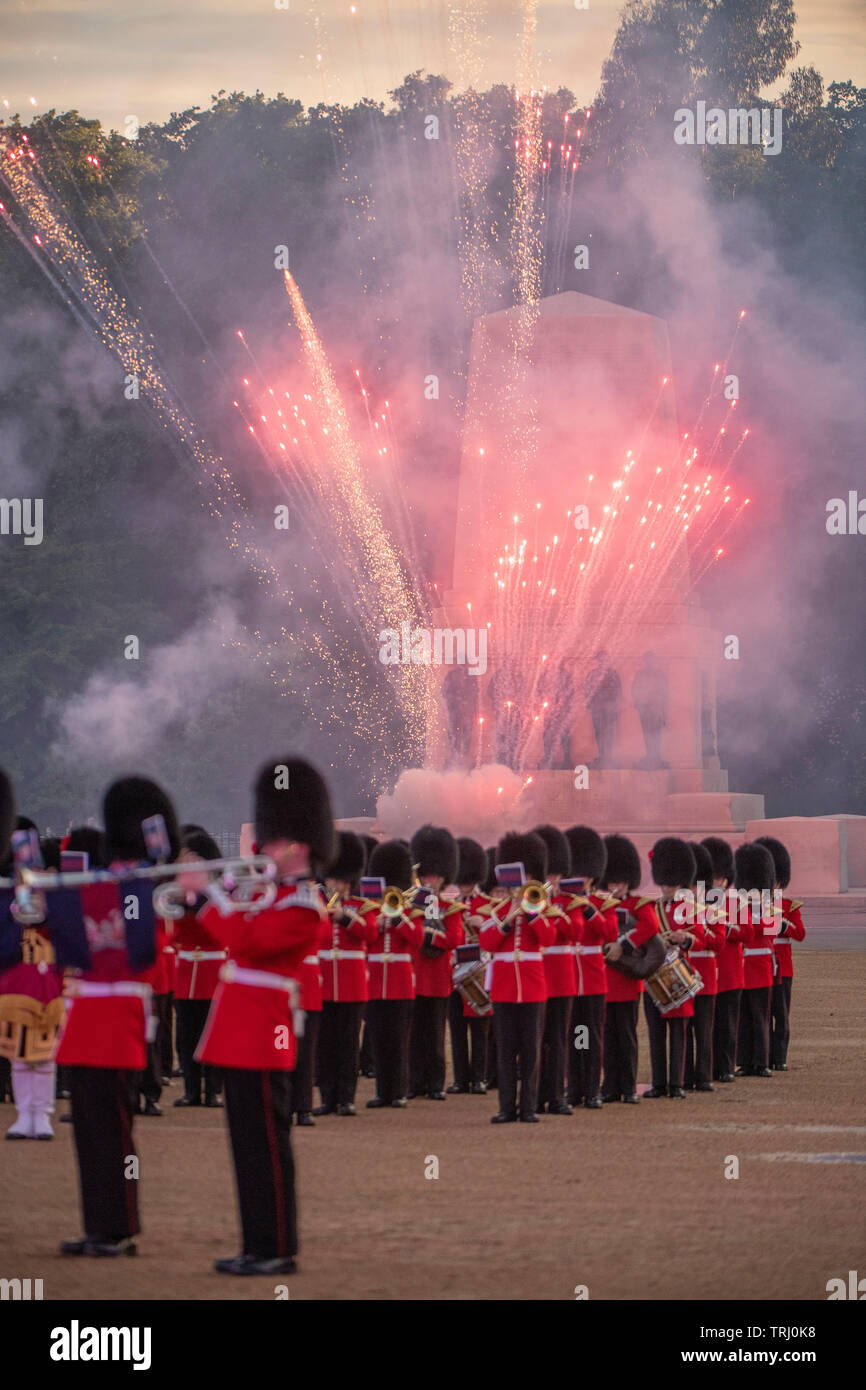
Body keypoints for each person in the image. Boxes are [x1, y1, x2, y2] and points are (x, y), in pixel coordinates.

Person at [195, 756, 333, 1276]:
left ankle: (275, 1247)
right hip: (238, 1031)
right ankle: (257, 1244)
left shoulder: (302, 903)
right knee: (246, 1144)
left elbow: (249, 944)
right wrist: (203, 896)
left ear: (297, 844)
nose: (263, 849)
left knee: (267, 1145)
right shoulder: (270, 895)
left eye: (272, 841)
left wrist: (208, 893)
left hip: (263, 1030)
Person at [55, 775, 179, 1257]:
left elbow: (146, 950)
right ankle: (97, 1226)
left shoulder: (149, 892)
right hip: (86, 1018)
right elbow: (69, 940)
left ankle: (119, 1227)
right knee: (89, 1131)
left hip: (119, 1017)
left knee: (112, 1129)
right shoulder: (104, 885)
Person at [479, 832, 557, 1124]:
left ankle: (529, 1107)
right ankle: (505, 1108)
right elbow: (486, 942)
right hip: (503, 988)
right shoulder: (498, 910)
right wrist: (510, 918)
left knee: (531, 1052)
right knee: (506, 1051)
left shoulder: (541, 908)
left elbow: (548, 937)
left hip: (533, 987)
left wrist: (532, 914)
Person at [315, 831, 376, 1116]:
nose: (335, 885)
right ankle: (328, 1097)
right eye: (331, 879)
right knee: (325, 1044)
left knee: (348, 1044)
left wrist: (346, 917)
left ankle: (346, 1098)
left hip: (351, 984)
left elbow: (370, 932)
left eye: (340, 880)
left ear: (349, 880)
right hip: (324, 983)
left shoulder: (363, 907)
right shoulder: (317, 906)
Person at [364, 840, 424, 1108]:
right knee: (378, 1038)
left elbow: (417, 939)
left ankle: (398, 1091)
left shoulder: (410, 907)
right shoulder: (370, 907)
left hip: (400, 980)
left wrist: (398, 918)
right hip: (376, 979)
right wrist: (374, 924)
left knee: (398, 1039)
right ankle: (382, 1091)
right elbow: (362, 940)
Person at [599, 834, 659, 1103]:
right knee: (606, 1037)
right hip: (603, 980)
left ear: (629, 881)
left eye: (621, 881)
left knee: (626, 1036)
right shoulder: (599, 906)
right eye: (612, 881)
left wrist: (623, 944)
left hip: (626, 981)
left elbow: (651, 927)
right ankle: (610, 1086)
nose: (616, 886)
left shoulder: (638, 905)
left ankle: (627, 1086)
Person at [170, 828, 226, 1108]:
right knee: (187, 1034)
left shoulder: (218, 893)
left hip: (211, 972)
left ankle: (212, 1090)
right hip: (186, 972)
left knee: (211, 1032)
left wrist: (196, 905)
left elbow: (219, 932)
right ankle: (192, 1090)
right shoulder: (177, 892)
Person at [642, 838, 701, 1099]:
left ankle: (676, 1083)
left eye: (670, 882)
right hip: (654, 977)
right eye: (663, 882)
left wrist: (683, 938)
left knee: (678, 1032)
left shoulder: (689, 908)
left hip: (677, 976)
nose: (666, 886)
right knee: (656, 1035)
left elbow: (699, 935)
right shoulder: (651, 909)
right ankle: (659, 1083)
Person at [408, 825, 464, 1100]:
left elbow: (455, 937)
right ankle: (414, 1082)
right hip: (417, 976)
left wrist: (431, 935)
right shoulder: (412, 905)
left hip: (439, 976)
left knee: (435, 1035)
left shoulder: (449, 908)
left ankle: (434, 1084)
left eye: (435, 877)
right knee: (415, 1034)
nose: (431, 881)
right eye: (426, 875)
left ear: (443, 879)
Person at [564, 825, 618, 1109]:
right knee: (575, 1036)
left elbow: (610, 933)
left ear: (592, 876)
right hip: (571, 976)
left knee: (592, 1035)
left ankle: (592, 1089)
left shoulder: (601, 903)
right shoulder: (563, 903)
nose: (579, 879)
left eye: (583, 875)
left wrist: (588, 909)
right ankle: (574, 1089)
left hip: (594, 977)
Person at [533, 824, 581, 1115]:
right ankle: (537, 1096)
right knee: (536, 1041)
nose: (550, 878)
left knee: (559, 1040)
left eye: (553, 873)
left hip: (561, 978)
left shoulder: (570, 901)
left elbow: (575, 931)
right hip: (536, 977)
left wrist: (553, 911)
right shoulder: (531, 899)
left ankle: (557, 1095)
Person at [755, 835, 805, 1072]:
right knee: (762, 1015)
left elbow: (800, 934)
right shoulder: (754, 906)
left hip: (782, 968)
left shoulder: (789, 906)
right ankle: (762, 1057)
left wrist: (784, 925)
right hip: (762, 967)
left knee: (781, 1016)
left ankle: (780, 1057)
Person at [447, 837, 492, 1095]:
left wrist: (481, 924)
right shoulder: (451, 906)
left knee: (479, 1031)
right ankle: (460, 1079)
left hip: (478, 974)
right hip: (455, 974)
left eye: (468, 880)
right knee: (456, 1029)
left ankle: (479, 1078)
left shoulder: (487, 906)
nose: (464, 886)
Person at [702, 836, 742, 1083]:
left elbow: (747, 932)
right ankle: (705, 1069)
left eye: (718, 878)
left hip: (729, 971)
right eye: (712, 877)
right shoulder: (696, 903)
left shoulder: (737, 902)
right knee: (707, 1026)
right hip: (706, 971)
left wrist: (725, 928)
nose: (715, 882)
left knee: (727, 1025)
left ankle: (725, 1067)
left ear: (726, 880)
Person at [683, 842, 722, 1091]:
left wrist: (699, 933)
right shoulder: (678, 908)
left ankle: (704, 1075)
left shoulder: (713, 907)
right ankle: (685, 1075)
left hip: (706, 973)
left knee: (704, 1030)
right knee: (684, 1029)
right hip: (683, 973)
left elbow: (719, 941)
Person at [735, 843, 776, 1078]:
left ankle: (762, 1061)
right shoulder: (740, 906)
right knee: (745, 1017)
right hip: (743, 967)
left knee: (760, 1016)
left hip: (760, 967)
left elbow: (767, 929)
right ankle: (745, 1062)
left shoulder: (769, 906)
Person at [583, 651, 621, 767]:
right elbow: (587, 690)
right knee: (599, 733)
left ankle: (608, 756)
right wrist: (590, 702)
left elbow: (618, 691)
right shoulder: (593, 674)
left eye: (605, 659)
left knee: (608, 733)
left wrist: (611, 703)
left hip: (608, 708)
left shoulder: (613, 674)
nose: (603, 661)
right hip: (597, 708)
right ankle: (602, 755)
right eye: (601, 659)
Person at [631, 651, 669, 770]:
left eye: (652, 659)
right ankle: (650, 755)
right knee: (647, 734)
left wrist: (662, 710)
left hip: (656, 709)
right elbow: (635, 689)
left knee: (656, 734)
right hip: (645, 709)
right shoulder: (640, 674)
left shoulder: (660, 674)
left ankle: (655, 756)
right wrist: (640, 702)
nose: (649, 662)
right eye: (647, 659)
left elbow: (665, 693)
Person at [538, 661, 574, 769]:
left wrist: (562, 701)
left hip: (562, 710)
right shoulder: (545, 675)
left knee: (565, 733)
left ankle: (567, 758)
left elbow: (571, 690)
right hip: (549, 710)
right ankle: (548, 757)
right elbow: (539, 690)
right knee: (548, 735)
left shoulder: (566, 675)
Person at [442, 664, 479, 764]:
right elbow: (445, 692)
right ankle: (459, 757)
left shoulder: (454, 675)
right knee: (460, 736)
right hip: (460, 711)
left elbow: (475, 694)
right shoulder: (468, 675)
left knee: (458, 736)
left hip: (460, 712)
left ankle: (459, 757)